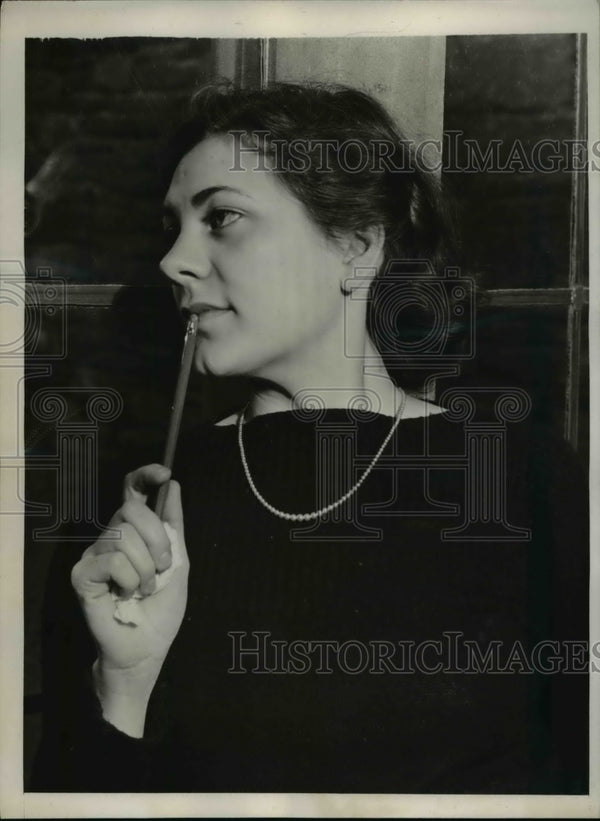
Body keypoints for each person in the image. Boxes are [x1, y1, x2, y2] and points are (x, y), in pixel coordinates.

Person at [31, 82, 588, 793]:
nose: (173, 260)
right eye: (172, 227)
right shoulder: (131, 513)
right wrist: (124, 681)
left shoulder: (525, 478)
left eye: (222, 217)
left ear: (357, 246)